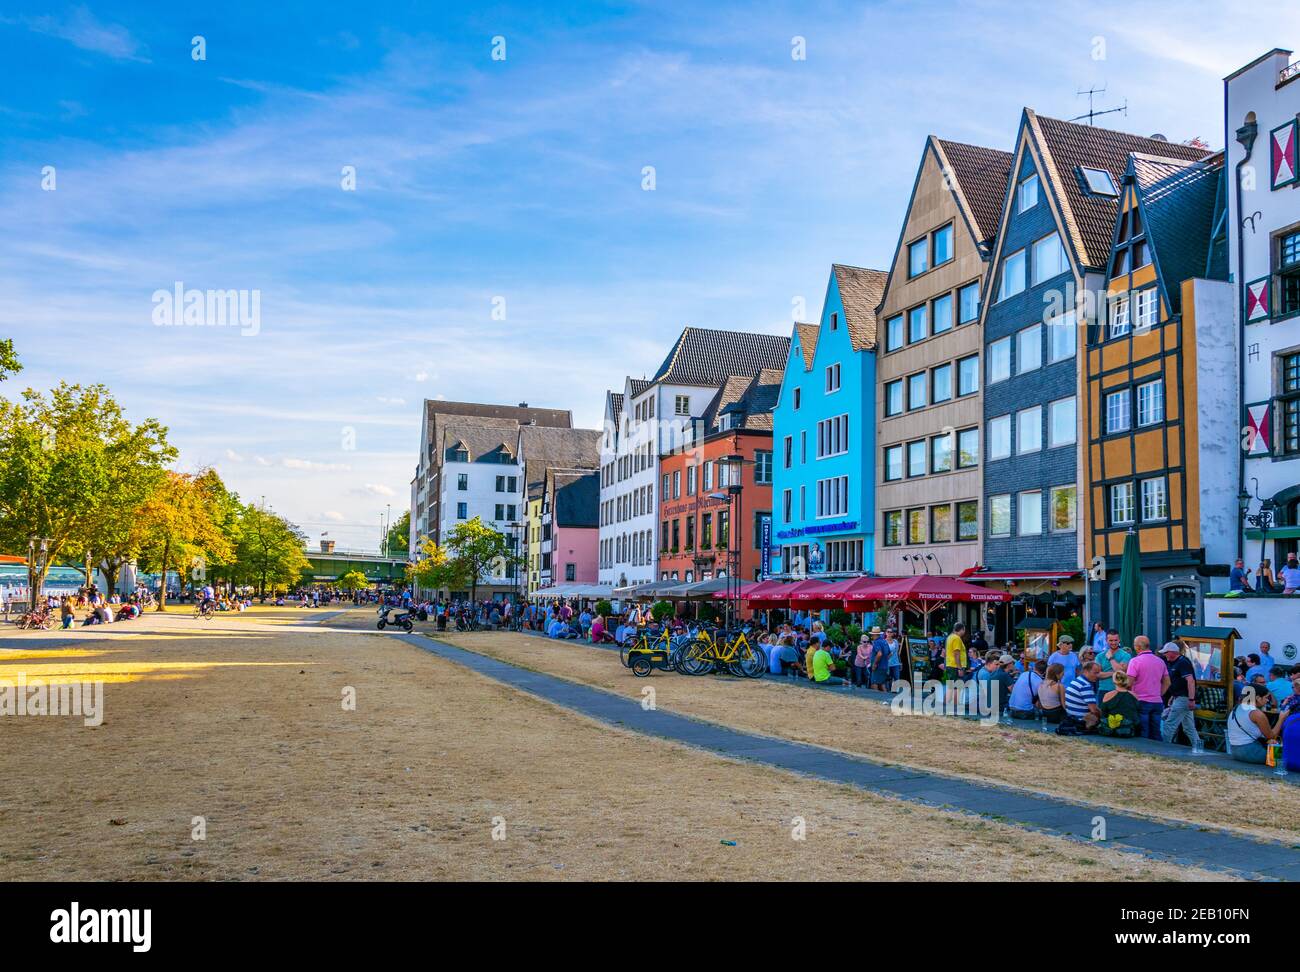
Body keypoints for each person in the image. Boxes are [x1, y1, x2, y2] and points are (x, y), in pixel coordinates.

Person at [1123, 635, 1169, 740]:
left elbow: (1129, 682)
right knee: (1156, 731)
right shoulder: (1160, 661)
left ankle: (1145, 754)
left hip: (1141, 699)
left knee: (1143, 732)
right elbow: (1167, 682)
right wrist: (1159, 693)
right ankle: (1159, 752)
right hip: (1157, 701)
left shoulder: (1135, 661)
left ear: (1138, 647)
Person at [1159, 641, 1202, 752]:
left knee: (1170, 724)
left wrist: (1191, 699)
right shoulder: (1178, 662)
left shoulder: (1182, 662)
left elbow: (1190, 681)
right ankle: (1198, 747)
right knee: (1188, 727)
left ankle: (1163, 749)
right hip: (1181, 697)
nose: (1164, 655)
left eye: (1166, 653)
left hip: (1184, 698)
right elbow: (1181, 681)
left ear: (1173, 652)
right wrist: (1174, 695)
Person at [1227, 683, 1280, 764]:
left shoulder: (1237, 707)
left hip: (1234, 751)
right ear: (1258, 698)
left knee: (1272, 742)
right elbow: (1271, 736)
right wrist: (1282, 719)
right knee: (1283, 756)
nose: (1267, 700)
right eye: (1266, 697)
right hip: (1251, 753)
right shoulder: (1256, 713)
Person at [1062, 662, 1102, 733]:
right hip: (1081, 720)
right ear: (1086, 672)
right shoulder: (1085, 685)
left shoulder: (1077, 680)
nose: (1098, 675)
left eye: (1099, 673)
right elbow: (1093, 710)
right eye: (1095, 673)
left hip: (1071, 716)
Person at [1098, 671, 1140, 737]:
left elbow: (1103, 713)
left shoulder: (1108, 695)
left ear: (1114, 681)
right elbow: (1137, 712)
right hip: (1129, 729)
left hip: (1110, 729)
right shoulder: (1134, 695)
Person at [1096, 629, 1130, 696]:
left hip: (1120, 690)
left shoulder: (1126, 655)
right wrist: (1115, 673)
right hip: (1103, 690)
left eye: (1116, 640)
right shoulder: (1100, 656)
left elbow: (1120, 671)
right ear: (1106, 640)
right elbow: (1097, 675)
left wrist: (1111, 658)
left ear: (1119, 640)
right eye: (1111, 640)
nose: (1113, 643)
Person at [944, 622, 968, 710]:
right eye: (964, 630)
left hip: (950, 664)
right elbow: (956, 654)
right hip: (955, 666)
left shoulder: (950, 637)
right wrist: (960, 668)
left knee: (951, 687)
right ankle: (955, 707)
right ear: (961, 629)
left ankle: (945, 706)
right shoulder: (957, 638)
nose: (964, 632)